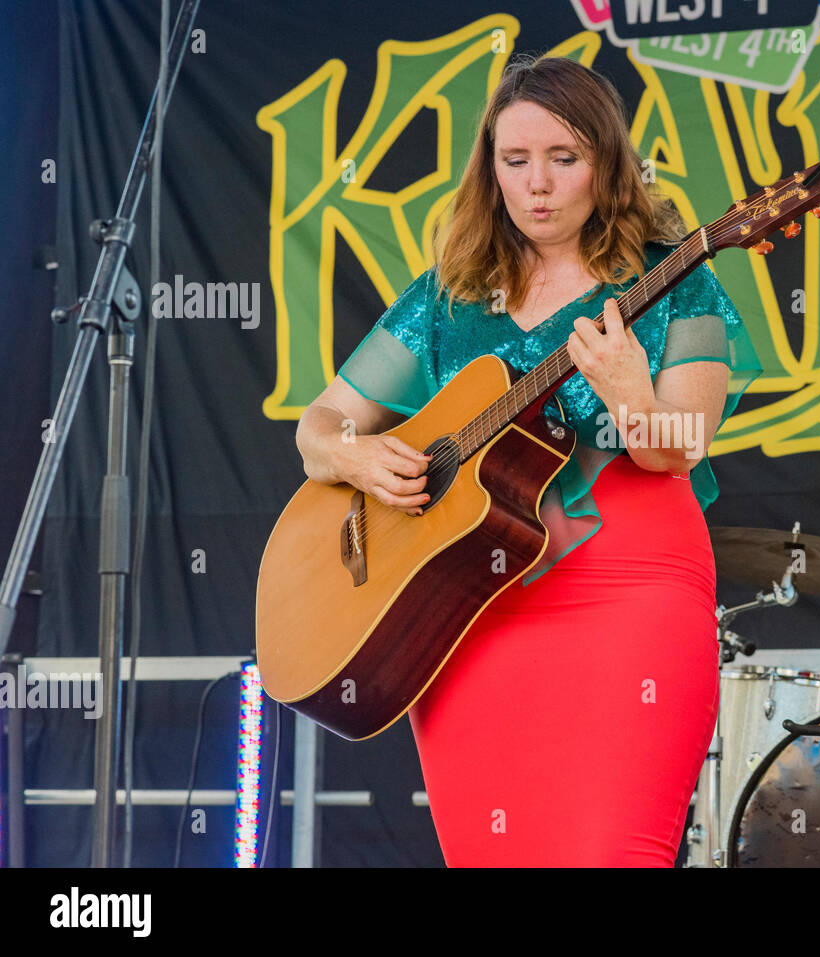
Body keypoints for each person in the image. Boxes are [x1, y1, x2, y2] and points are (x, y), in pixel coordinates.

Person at [294, 55, 761, 866]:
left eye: (564, 158)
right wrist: (354, 455)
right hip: (465, 613)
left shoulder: (676, 281)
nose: (537, 184)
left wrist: (631, 395)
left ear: (607, 166)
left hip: (632, 600)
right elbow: (317, 425)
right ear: (491, 171)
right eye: (515, 161)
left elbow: (679, 447)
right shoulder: (447, 300)